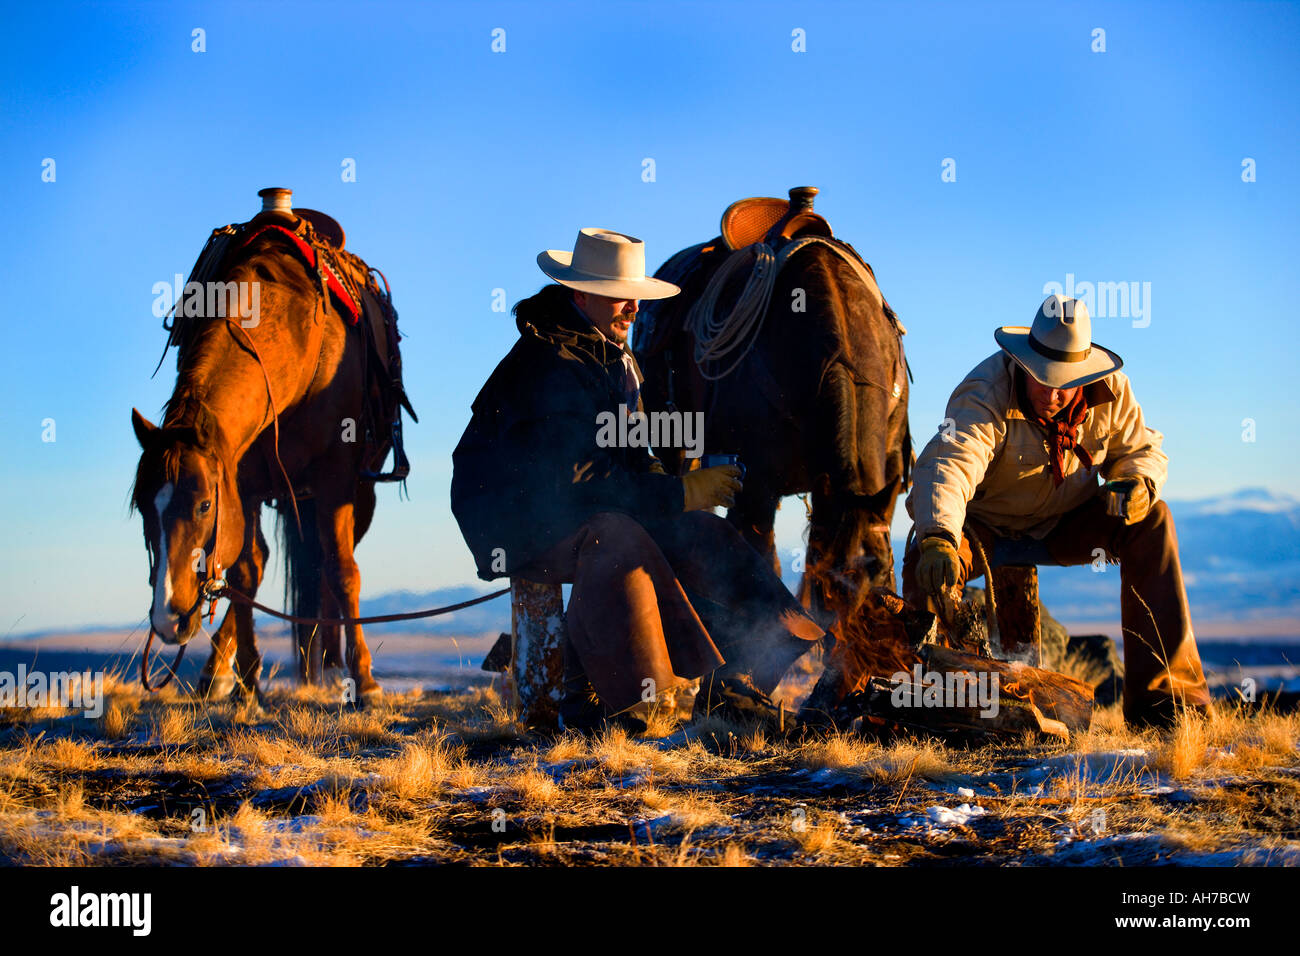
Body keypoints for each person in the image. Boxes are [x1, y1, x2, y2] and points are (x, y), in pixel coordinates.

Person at [451, 227, 824, 733]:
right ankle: (628, 708)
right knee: (616, 535)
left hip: (581, 504)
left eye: (635, 298)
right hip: (519, 522)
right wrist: (678, 491)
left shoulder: (614, 360)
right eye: (619, 297)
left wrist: (679, 498)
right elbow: (573, 487)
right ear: (581, 294)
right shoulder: (550, 366)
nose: (632, 308)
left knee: (701, 532)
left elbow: (632, 455)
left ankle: (746, 679)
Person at [902, 294, 1211, 728]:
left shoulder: (1112, 391)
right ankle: (927, 704)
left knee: (1155, 521)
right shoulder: (986, 390)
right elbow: (950, 462)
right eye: (1041, 378)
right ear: (1023, 362)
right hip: (983, 528)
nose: (1052, 392)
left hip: (1066, 523)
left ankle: (1167, 709)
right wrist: (938, 535)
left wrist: (1137, 482)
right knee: (927, 561)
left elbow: (1142, 449)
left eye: (1064, 381)